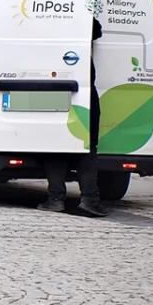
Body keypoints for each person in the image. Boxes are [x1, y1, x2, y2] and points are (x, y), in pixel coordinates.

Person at [39, 16, 107, 217]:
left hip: (55, 88)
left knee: (55, 146)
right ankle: (90, 199)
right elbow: (97, 30)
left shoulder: (44, 23)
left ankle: (56, 198)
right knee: (87, 147)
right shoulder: (82, 20)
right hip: (84, 90)